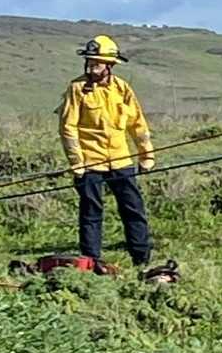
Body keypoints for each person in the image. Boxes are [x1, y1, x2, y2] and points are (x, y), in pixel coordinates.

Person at [58, 35, 156, 268]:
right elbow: (68, 128)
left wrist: (146, 155)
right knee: (91, 213)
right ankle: (92, 261)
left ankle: (141, 259)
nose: (92, 67)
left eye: (97, 64)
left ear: (109, 66)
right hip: (90, 164)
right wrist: (77, 162)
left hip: (121, 160)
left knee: (134, 209)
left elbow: (138, 125)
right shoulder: (77, 89)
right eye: (90, 63)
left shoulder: (123, 89)